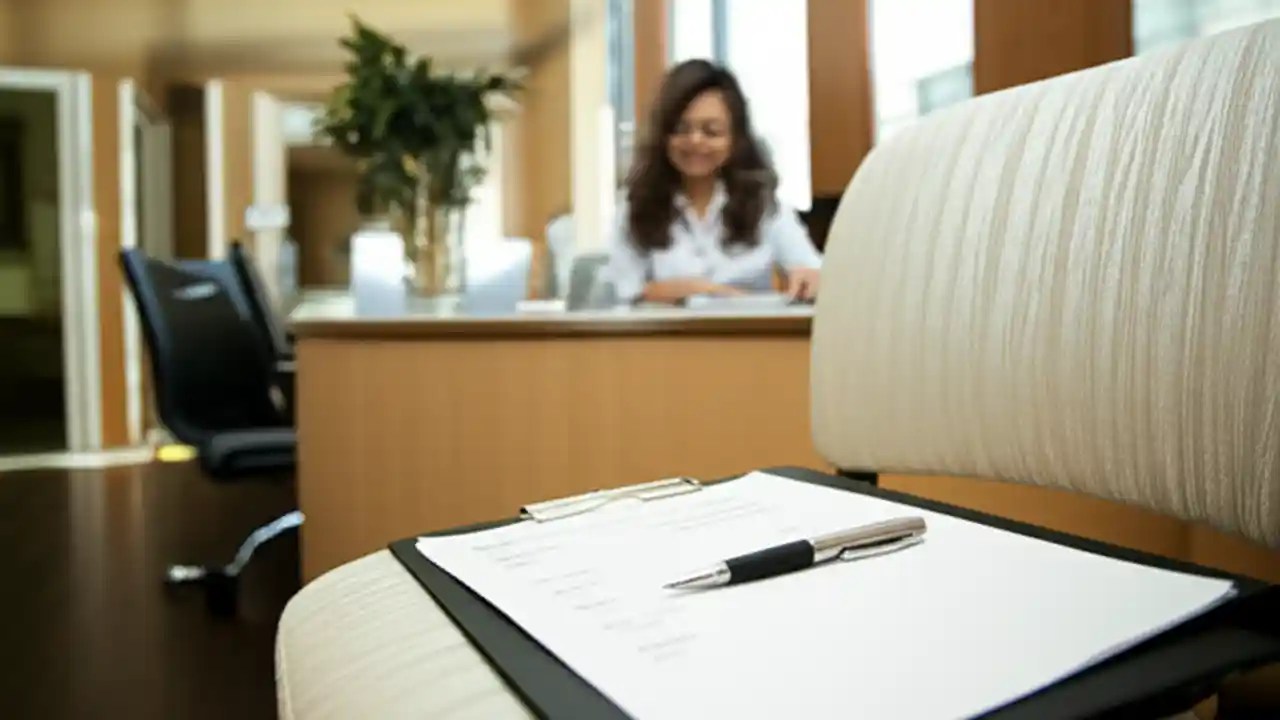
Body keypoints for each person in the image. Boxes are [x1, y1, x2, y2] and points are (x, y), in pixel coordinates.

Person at [607, 59, 822, 305]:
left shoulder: (764, 205)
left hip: (749, 340)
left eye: (711, 131)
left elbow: (814, 272)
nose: (695, 141)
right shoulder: (636, 206)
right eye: (681, 129)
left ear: (735, 139)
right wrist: (705, 290)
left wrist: (808, 278)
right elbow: (624, 295)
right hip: (664, 341)